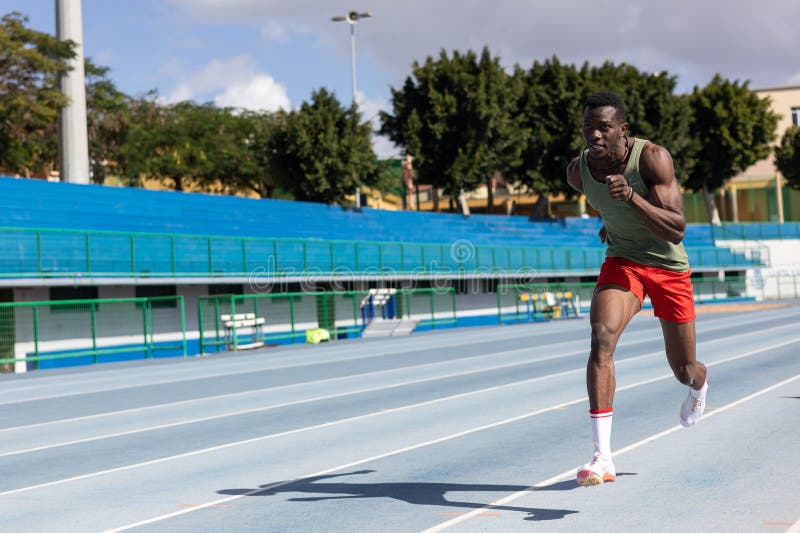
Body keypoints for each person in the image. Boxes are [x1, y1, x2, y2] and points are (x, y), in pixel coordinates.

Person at [565, 92, 708, 487]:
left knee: (683, 369)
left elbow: (677, 228)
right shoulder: (577, 172)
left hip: (668, 269)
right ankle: (602, 457)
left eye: (603, 127)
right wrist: (610, 224)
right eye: (587, 127)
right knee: (601, 338)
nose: (593, 134)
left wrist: (631, 199)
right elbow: (606, 208)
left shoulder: (652, 159)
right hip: (624, 261)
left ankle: (699, 386)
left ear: (622, 130)